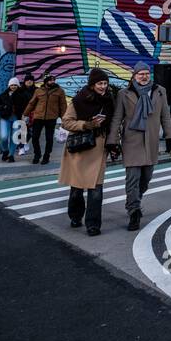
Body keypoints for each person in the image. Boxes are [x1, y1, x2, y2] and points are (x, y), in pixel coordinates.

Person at [106, 61, 171, 231]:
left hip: (151, 142)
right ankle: (134, 211)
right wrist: (113, 140)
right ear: (134, 76)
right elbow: (116, 118)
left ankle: (135, 199)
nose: (144, 77)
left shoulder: (159, 91)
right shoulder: (124, 93)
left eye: (146, 73)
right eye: (140, 74)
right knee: (132, 179)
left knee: (146, 178)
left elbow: (165, 115)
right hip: (132, 141)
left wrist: (169, 135)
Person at [58, 68, 114, 236]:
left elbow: (114, 123)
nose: (103, 86)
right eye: (100, 83)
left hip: (99, 148)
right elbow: (66, 122)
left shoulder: (110, 100)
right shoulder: (79, 100)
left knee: (96, 189)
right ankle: (75, 215)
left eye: (105, 83)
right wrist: (87, 125)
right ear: (92, 84)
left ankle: (93, 225)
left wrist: (114, 144)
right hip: (81, 148)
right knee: (76, 188)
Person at [23, 74, 67, 165]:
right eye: (50, 80)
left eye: (54, 80)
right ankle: (37, 154)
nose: (53, 82)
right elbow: (32, 103)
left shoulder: (60, 91)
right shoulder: (38, 91)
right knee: (35, 137)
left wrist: (64, 119)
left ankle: (46, 156)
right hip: (38, 117)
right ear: (46, 81)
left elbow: (63, 105)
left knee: (49, 138)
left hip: (51, 118)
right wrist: (25, 114)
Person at [0, 78, 24, 163]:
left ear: (18, 85)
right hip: (5, 118)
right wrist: (3, 107)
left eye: (15, 85)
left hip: (17, 118)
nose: (13, 86)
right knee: (4, 136)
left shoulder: (22, 95)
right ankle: (5, 151)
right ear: (9, 85)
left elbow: (25, 106)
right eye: (12, 85)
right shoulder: (3, 95)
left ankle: (11, 155)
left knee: (14, 138)